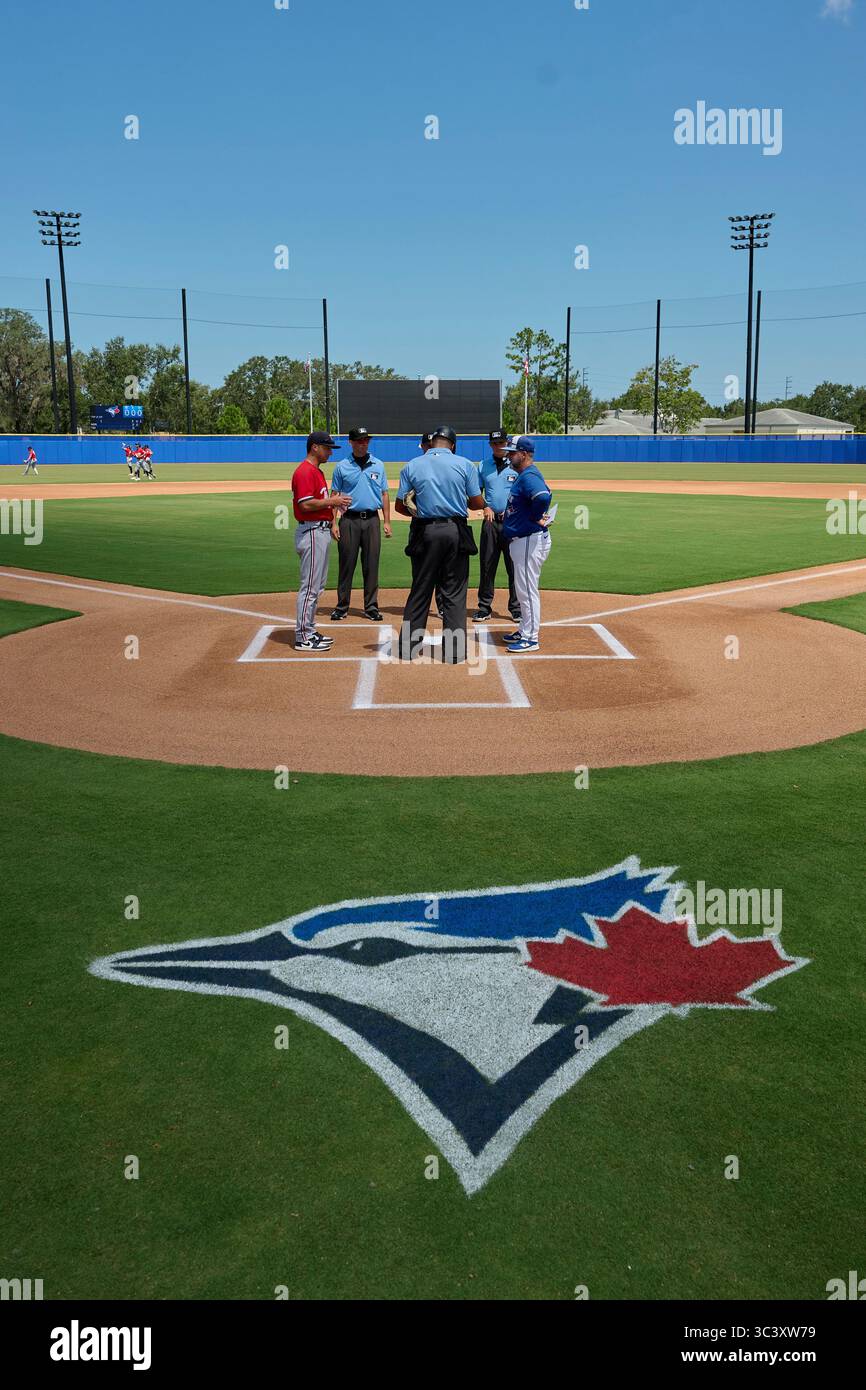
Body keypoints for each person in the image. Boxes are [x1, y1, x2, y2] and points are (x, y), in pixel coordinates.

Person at [394, 427, 484, 664]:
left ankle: (407, 649)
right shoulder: (465, 465)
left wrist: (421, 508)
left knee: (421, 588)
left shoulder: (412, 465)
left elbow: (400, 507)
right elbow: (476, 502)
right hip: (455, 530)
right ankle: (454, 653)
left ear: (432, 443)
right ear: (452, 445)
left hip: (425, 530)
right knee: (454, 591)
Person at [291, 431, 353, 652]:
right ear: (314, 447)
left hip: (320, 531)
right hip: (312, 532)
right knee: (310, 587)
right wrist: (332, 500)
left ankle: (309, 629)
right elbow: (305, 505)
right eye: (327, 448)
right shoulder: (304, 472)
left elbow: (316, 503)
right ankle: (303, 637)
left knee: (317, 587)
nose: (329, 452)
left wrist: (333, 505)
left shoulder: (315, 471)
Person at [329, 427, 391, 622]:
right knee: (346, 564)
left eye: (366, 440)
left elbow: (384, 494)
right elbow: (334, 495)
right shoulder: (342, 466)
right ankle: (342, 606)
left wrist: (387, 520)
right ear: (351, 442)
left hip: (372, 520)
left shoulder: (378, 465)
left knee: (371, 565)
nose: (363, 444)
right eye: (359, 441)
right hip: (349, 520)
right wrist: (333, 523)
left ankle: (371, 607)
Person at [500, 436, 553, 654]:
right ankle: (524, 630)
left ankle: (531, 638)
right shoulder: (526, 475)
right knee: (523, 590)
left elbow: (542, 496)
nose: (509, 455)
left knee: (527, 591)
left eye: (512, 452)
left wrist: (535, 516)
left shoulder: (529, 475)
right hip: (525, 540)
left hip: (528, 540)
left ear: (524, 454)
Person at [473, 427, 521, 623]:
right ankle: (484, 607)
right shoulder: (483, 466)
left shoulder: (517, 464)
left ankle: (516, 608)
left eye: (502, 442)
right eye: (495, 443)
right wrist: (485, 506)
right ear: (490, 445)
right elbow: (475, 494)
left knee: (514, 567)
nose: (499, 446)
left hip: (513, 524)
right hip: (491, 523)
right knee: (487, 564)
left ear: (507, 442)